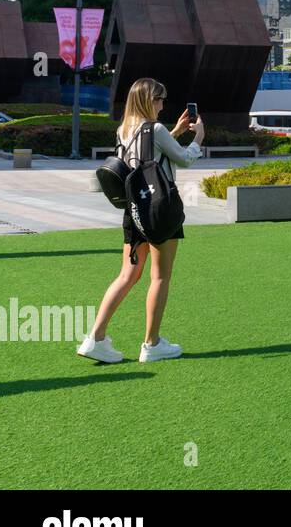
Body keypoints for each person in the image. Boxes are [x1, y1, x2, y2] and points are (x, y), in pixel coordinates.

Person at [77, 78, 204, 364]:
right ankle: (152, 343)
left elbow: (146, 155)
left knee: (127, 275)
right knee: (159, 277)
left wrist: (175, 131)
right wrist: (198, 138)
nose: (162, 104)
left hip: (134, 210)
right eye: (159, 99)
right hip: (160, 209)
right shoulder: (155, 129)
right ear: (148, 100)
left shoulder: (124, 129)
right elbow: (183, 159)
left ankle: (95, 338)